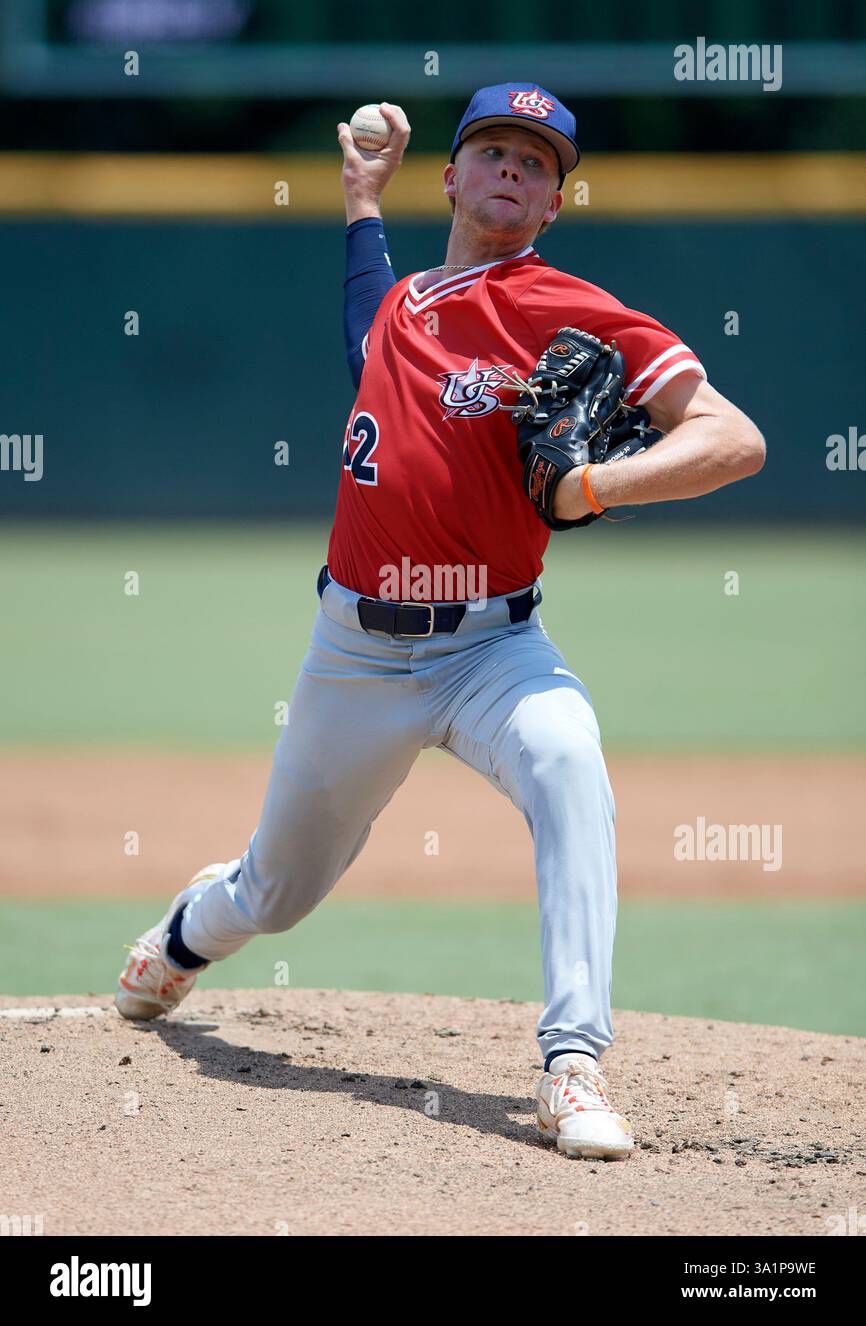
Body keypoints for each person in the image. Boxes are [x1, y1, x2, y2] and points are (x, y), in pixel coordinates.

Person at [116, 84, 765, 1161]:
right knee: (272, 894)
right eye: (493, 152)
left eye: (536, 162)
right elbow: (363, 295)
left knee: (570, 767)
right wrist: (359, 197)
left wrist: (594, 484)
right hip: (354, 653)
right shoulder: (398, 305)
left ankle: (572, 1065)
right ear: (453, 178)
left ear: (555, 201)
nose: (513, 170)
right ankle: (184, 936)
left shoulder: (575, 309)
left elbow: (731, 437)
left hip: (493, 648)